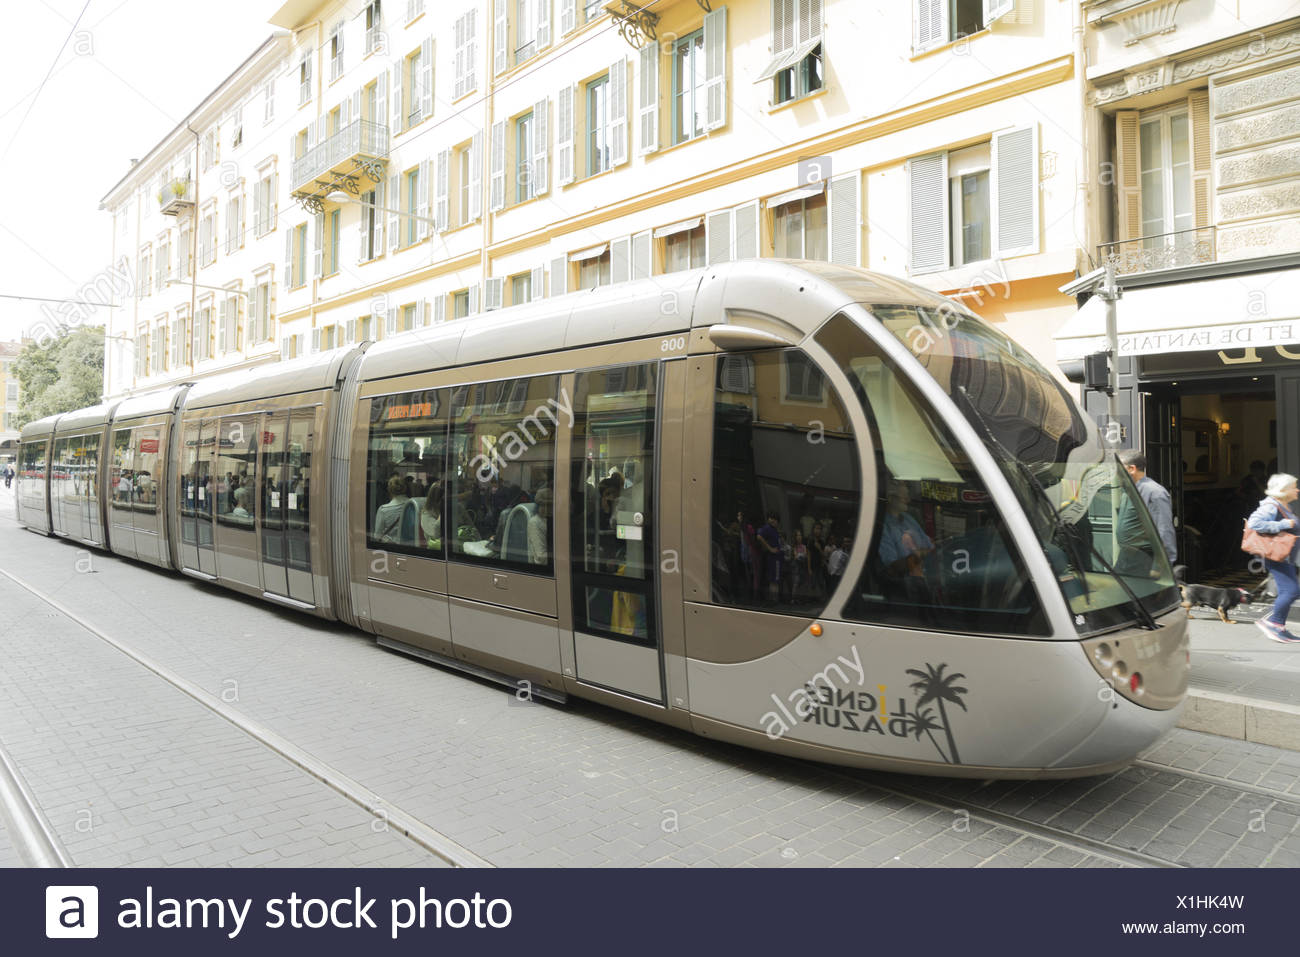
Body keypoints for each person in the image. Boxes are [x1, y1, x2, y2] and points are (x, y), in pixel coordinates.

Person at [1247, 473, 1300, 643]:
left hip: (1285, 557)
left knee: (1290, 590)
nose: (1297, 489)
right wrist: (1284, 524)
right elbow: (1255, 522)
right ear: (1283, 490)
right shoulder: (1271, 506)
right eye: (1294, 487)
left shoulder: (1283, 505)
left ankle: (1279, 626)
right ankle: (1273, 623)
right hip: (1277, 557)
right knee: (1291, 591)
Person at [1117, 450, 1176, 574]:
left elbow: (1164, 531)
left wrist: (1159, 566)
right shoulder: (1129, 490)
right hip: (1126, 559)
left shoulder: (1154, 492)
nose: (1116, 473)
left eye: (1118, 469)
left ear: (1131, 469)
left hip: (1144, 561)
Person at [373, 474, 415, 544]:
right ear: (405, 488)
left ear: (389, 490)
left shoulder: (383, 510)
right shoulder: (414, 505)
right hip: (413, 548)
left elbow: (377, 536)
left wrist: (390, 540)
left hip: (392, 549)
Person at [756, 512, 784, 603]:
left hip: (776, 557)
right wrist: (770, 548)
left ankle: (773, 599)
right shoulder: (768, 528)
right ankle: (773, 600)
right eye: (771, 518)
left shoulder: (774, 530)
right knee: (774, 580)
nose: (772, 520)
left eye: (774, 519)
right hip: (773, 557)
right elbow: (759, 537)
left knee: (774, 579)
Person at [528, 488, 552, 565]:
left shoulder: (555, 521)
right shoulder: (535, 522)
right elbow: (541, 557)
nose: (545, 509)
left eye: (549, 505)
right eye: (542, 505)